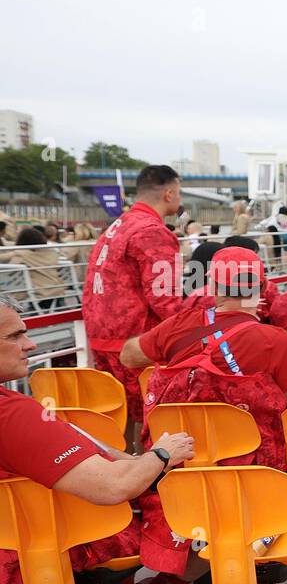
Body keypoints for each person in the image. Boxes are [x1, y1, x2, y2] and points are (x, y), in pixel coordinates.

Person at [0, 296, 196, 584]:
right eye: (14, 336)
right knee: (198, 515)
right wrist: (165, 452)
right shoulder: (13, 414)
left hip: (17, 553)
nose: (29, 344)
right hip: (32, 556)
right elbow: (112, 488)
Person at [120, 246, 287, 584]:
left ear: (214, 289)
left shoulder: (179, 326)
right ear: (262, 288)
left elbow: (128, 356)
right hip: (251, 475)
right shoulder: (276, 341)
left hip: (179, 466)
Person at [81, 164, 194, 431]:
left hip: (103, 337)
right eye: (178, 192)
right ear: (169, 193)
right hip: (136, 342)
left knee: (117, 421)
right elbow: (164, 298)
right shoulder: (153, 231)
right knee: (153, 419)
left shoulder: (118, 225)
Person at [9, 226, 66, 309]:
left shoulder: (21, 254)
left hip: (38, 292)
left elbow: (10, 270)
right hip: (56, 290)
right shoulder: (52, 252)